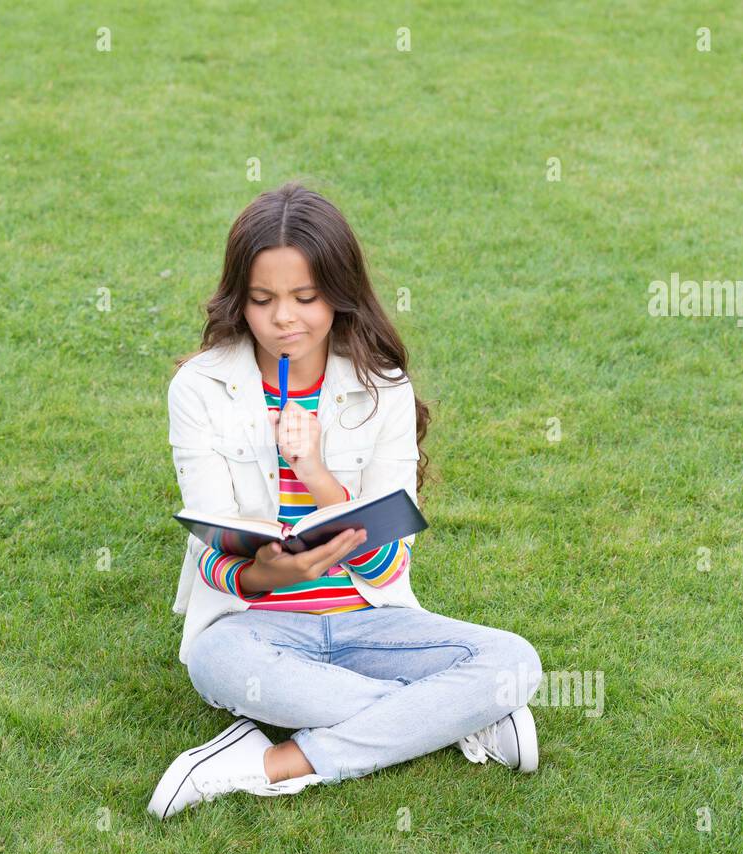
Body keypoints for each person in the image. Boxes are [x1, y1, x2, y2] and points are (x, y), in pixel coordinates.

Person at [148, 182, 543, 821]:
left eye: (306, 298)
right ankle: (458, 717)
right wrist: (266, 573)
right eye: (262, 300)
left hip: (371, 619)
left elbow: (390, 567)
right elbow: (211, 546)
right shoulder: (200, 388)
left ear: (339, 293)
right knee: (215, 661)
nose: (284, 320)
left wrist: (318, 474)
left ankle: (263, 761)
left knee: (513, 661)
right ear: (237, 300)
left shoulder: (381, 388)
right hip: (254, 630)